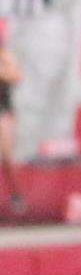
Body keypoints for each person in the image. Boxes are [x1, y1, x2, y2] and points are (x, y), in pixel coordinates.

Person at [0, 30, 24, 215]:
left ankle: (16, 194)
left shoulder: (6, 57)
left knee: (7, 156)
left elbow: (16, 76)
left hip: (2, 111)